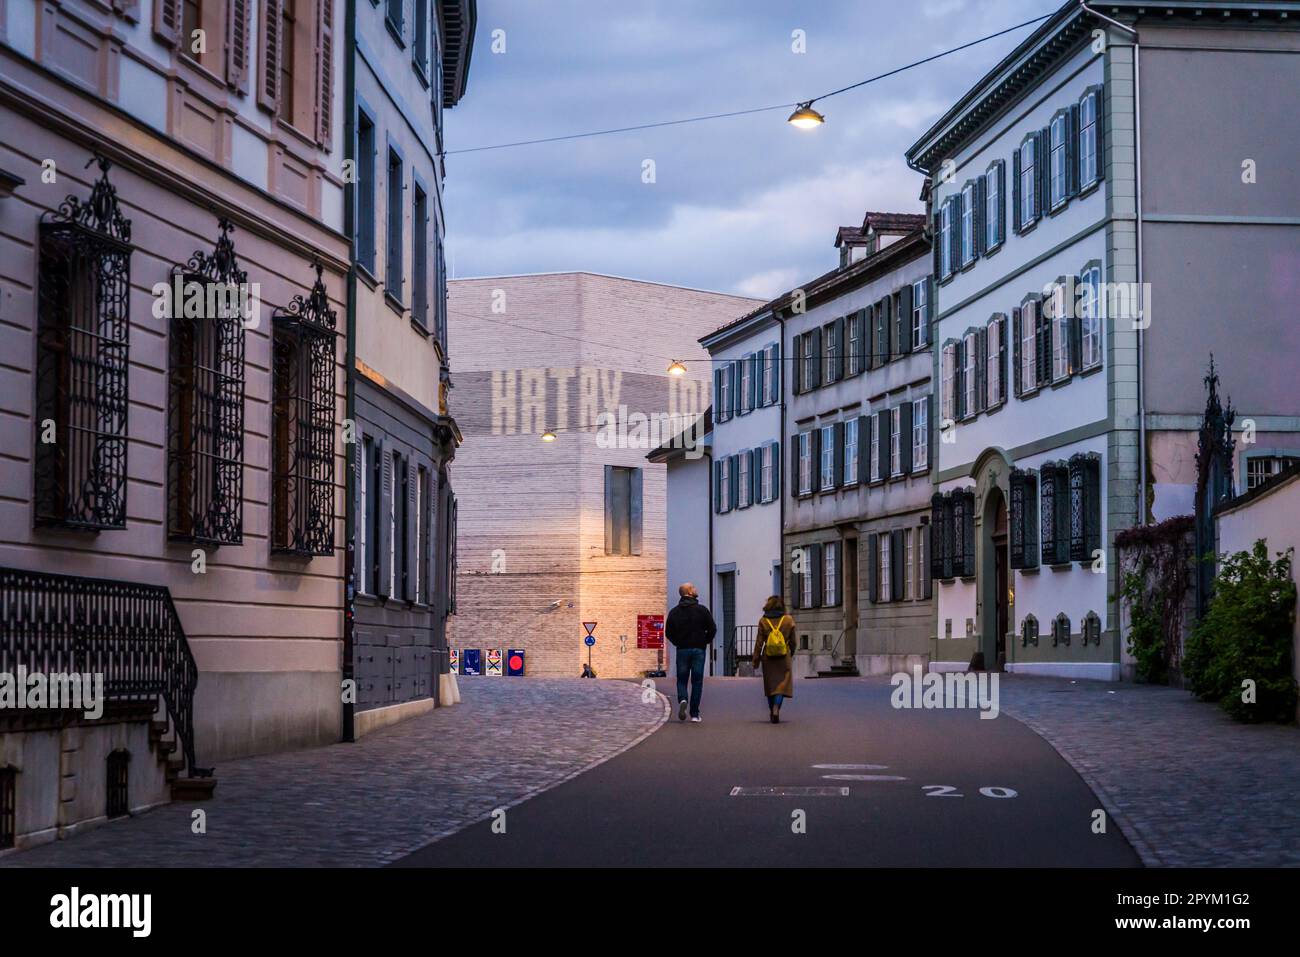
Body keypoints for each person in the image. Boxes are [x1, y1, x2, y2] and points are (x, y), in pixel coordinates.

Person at [665, 582, 716, 722]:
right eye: (693, 587)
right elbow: (712, 628)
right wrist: (705, 641)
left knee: (682, 679)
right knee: (697, 681)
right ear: (689, 592)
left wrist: (678, 642)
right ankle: (694, 714)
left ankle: (682, 699)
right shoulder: (702, 610)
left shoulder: (674, 612)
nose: (696, 588)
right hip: (699, 649)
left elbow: (668, 632)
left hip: (682, 649)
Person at [752, 596, 795, 723]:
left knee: (771, 685)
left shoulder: (763, 621)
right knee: (782, 685)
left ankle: (772, 709)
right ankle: (777, 707)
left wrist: (756, 659)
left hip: (768, 657)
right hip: (784, 656)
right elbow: (793, 641)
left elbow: (759, 642)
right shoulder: (788, 620)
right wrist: (791, 651)